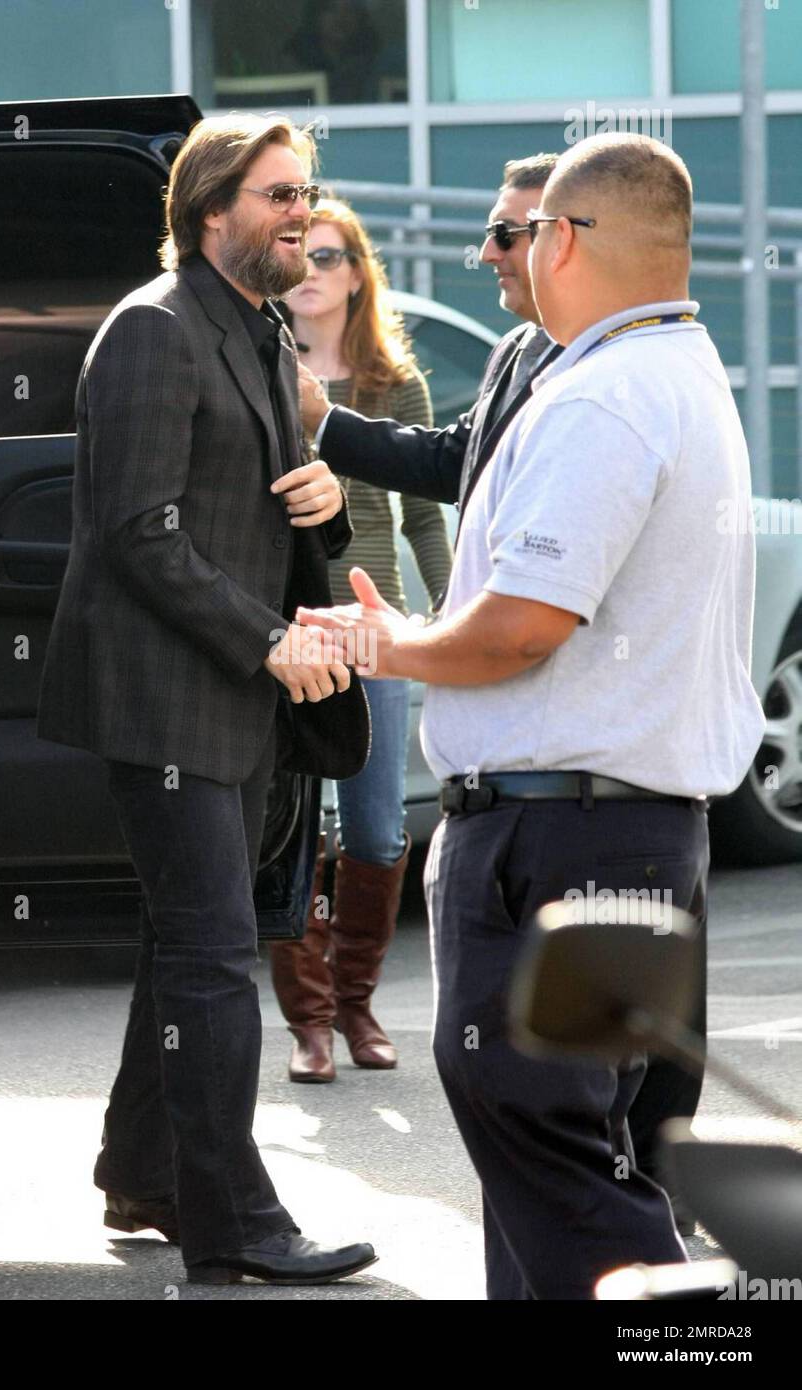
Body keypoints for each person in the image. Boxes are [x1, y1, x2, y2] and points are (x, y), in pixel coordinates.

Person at [299, 132, 765, 1299]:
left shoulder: (604, 395)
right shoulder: (669, 369)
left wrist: (379, 640)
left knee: (554, 1161)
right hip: (621, 831)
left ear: (564, 239)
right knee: (571, 1164)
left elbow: (518, 628)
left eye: (523, 229)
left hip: (560, 838)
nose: (504, 251)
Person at [36, 112, 376, 1286]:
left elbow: (256, 508)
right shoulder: (154, 330)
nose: (305, 215)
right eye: (281, 195)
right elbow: (140, 529)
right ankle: (235, 1224)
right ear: (211, 208)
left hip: (237, 695)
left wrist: (326, 503)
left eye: (307, 193)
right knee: (215, 956)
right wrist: (266, 638)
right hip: (162, 696)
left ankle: (145, 1172)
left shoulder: (266, 331)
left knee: (184, 946)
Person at [269, 197, 452, 1083]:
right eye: (301, 251)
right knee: (296, 832)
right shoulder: (259, 367)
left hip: (375, 634)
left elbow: (425, 515)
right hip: (294, 632)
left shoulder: (391, 381)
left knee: (378, 830)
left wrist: (449, 613)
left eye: (332, 255)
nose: (312, 269)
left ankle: (357, 1007)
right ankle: (308, 1024)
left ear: (357, 276)